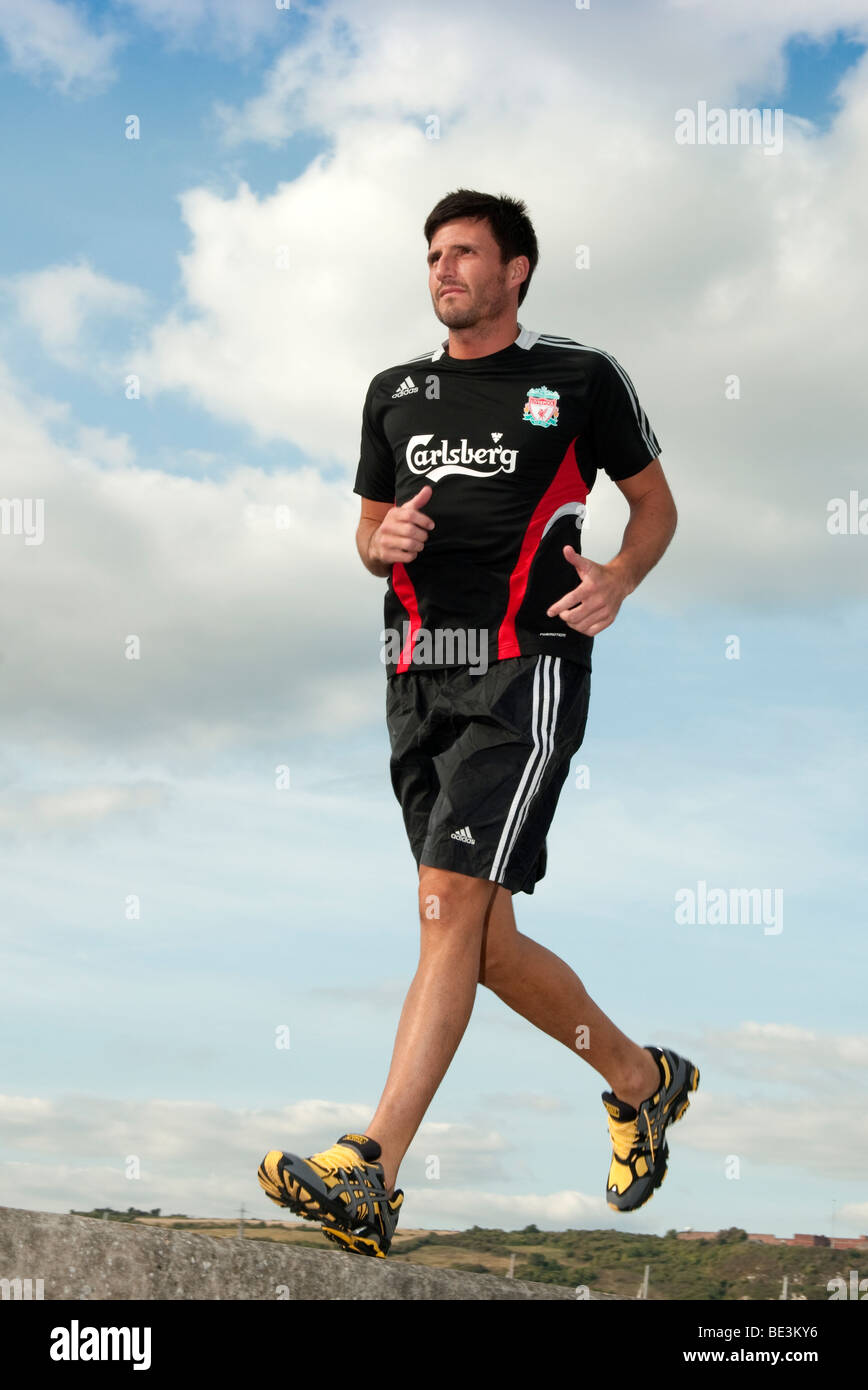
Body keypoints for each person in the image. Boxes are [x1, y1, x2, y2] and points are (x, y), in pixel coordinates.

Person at [258, 188, 699, 1258]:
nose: (442, 270)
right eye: (431, 256)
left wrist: (620, 578)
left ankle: (371, 1169)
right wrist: (383, 544)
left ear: (518, 271)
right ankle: (641, 1079)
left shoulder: (579, 378)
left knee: (451, 904)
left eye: (463, 253)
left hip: (526, 666)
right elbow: (364, 534)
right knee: (481, 940)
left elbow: (655, 505)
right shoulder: (392, 393)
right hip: (416, 674)